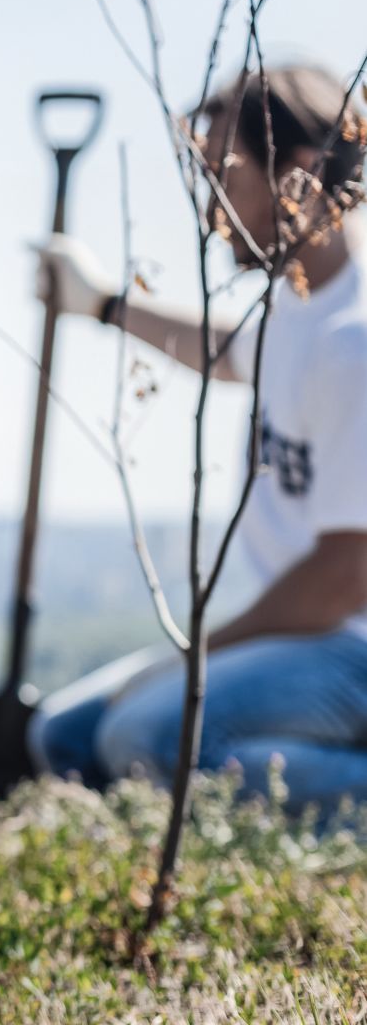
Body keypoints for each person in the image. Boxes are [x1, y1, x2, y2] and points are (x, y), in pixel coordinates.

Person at [30, 64, 367, 817]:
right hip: (299, 638)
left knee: (142, 741)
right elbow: (229, 353)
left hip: (351, 646)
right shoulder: (295, 310)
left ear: (300, 179)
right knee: (64, 736)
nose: (214, 209)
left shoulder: (355, 347)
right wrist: (105, 305)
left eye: (226, 176)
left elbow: (345, 580)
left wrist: (193, 655)